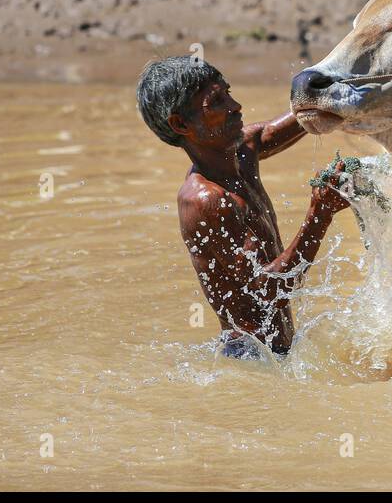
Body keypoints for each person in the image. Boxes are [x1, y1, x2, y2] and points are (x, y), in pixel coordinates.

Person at [136, 55, 348, 356]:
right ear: (181, 124)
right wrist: (320, 213)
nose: (236, 106)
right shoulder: (205, 200)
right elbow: (268, 290)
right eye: (217, 101)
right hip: (251, 357)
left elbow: (294, 120)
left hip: (280, 351)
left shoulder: (241, 151)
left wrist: (335, 95)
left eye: (229, 92)